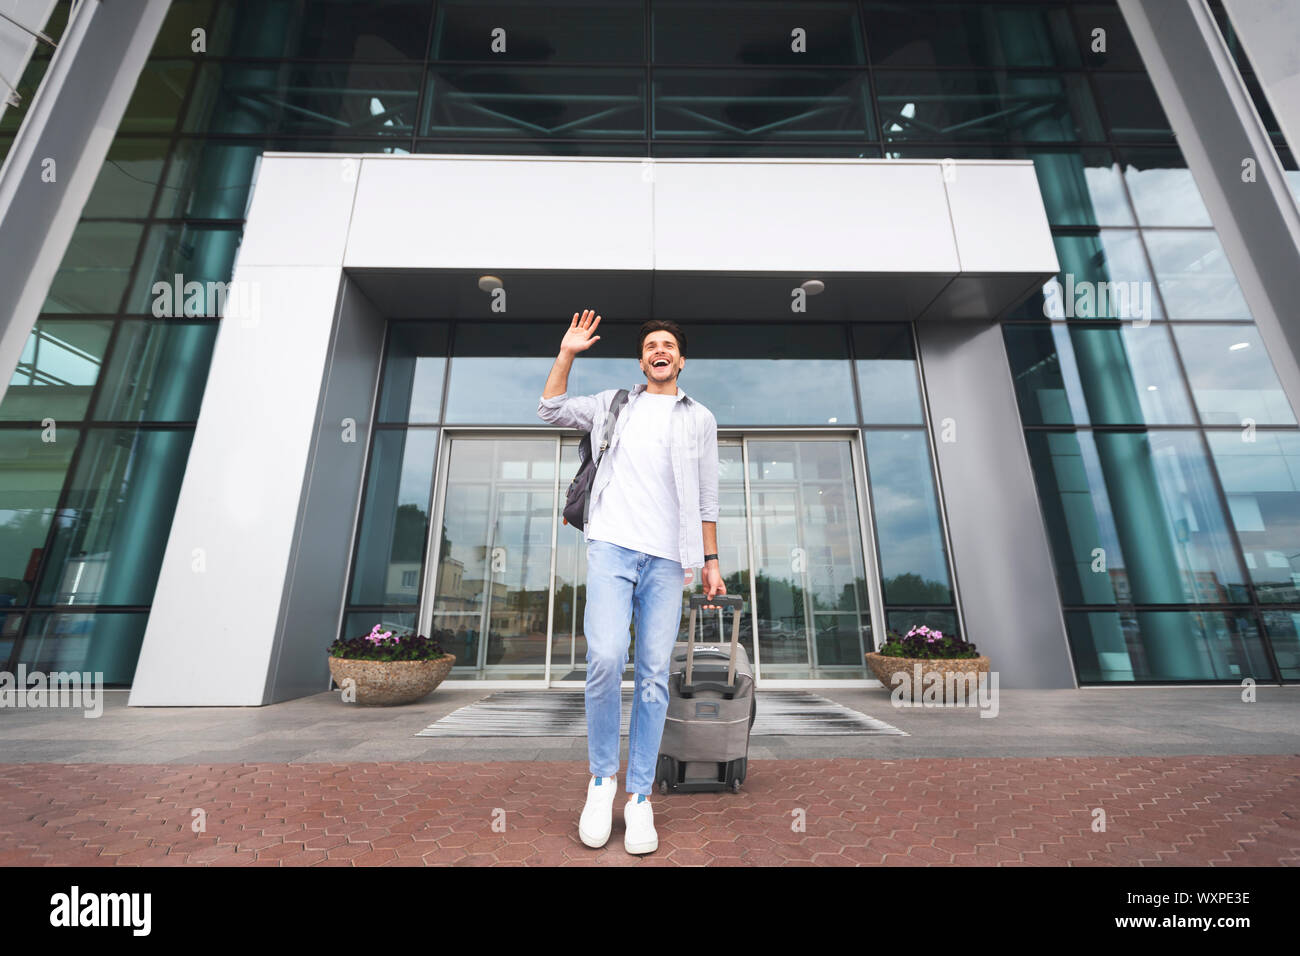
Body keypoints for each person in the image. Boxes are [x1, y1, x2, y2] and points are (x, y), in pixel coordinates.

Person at [537, 309, 723, 854]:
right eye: (650, 346)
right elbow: (549, 411)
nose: (659, 351)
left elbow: (708, 498)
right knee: (603, 656)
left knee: (654, 675)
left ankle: (638, 797)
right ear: (642, 360)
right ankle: (602, 782)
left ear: (680, 359)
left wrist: (710, 561)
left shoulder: (700, 419)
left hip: (669, 560)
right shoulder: (613, 404)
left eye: (668, 345)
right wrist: (568, 352)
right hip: (612, 547)